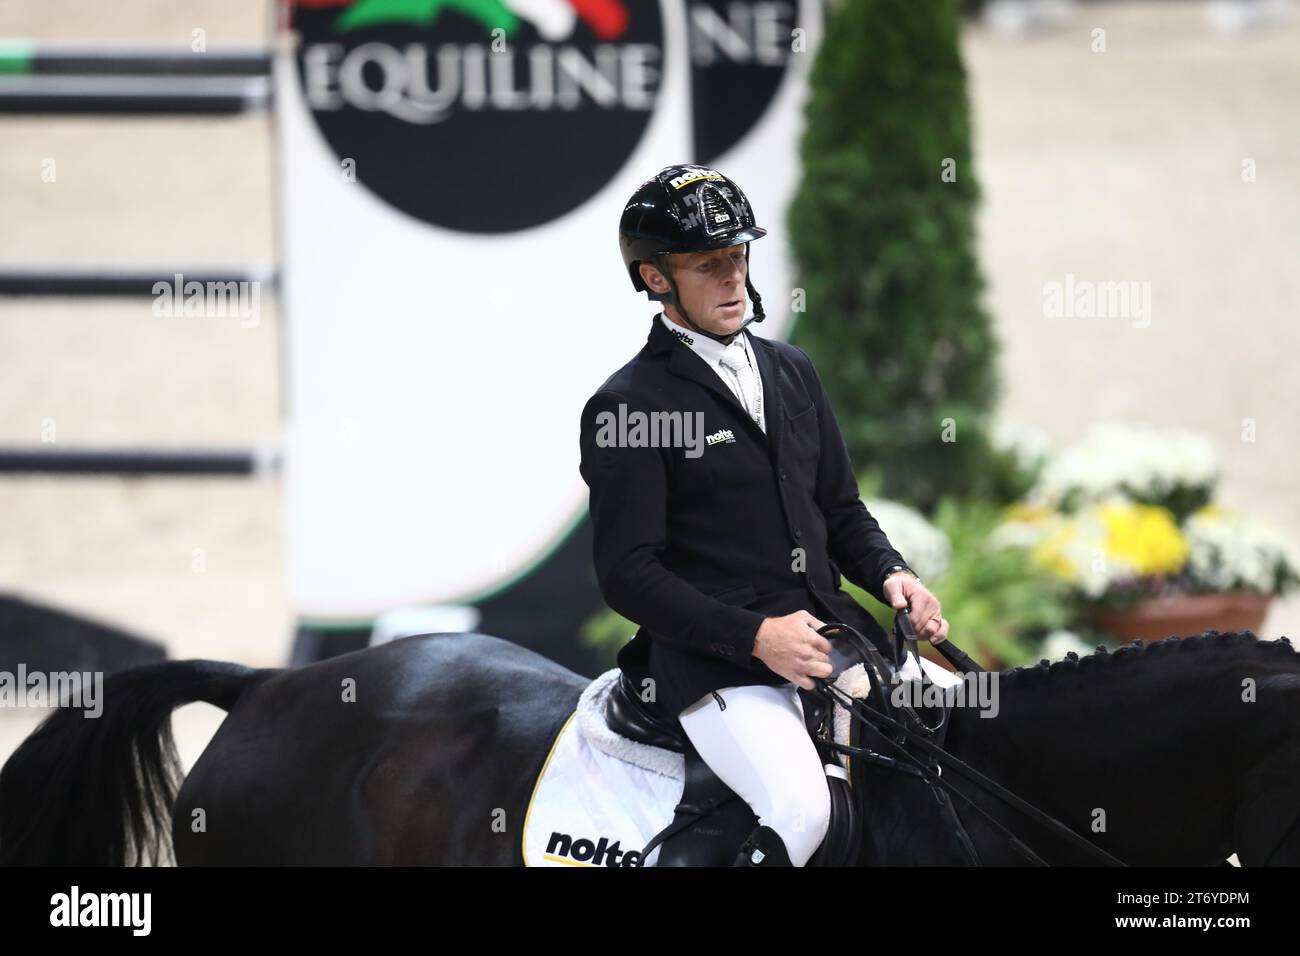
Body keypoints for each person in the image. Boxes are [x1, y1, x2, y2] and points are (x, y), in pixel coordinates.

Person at [578, 164, 948, 866]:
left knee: (967, 734)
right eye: (707, 264)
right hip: (717, 666)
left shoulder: (792, 370)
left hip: (834, 635)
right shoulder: (630, 406)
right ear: (657, 279)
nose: (731, 277)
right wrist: (756, 637)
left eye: (738, 256)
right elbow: (629, 576)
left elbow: (841, 510)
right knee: (804, 811)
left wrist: (892, 574)